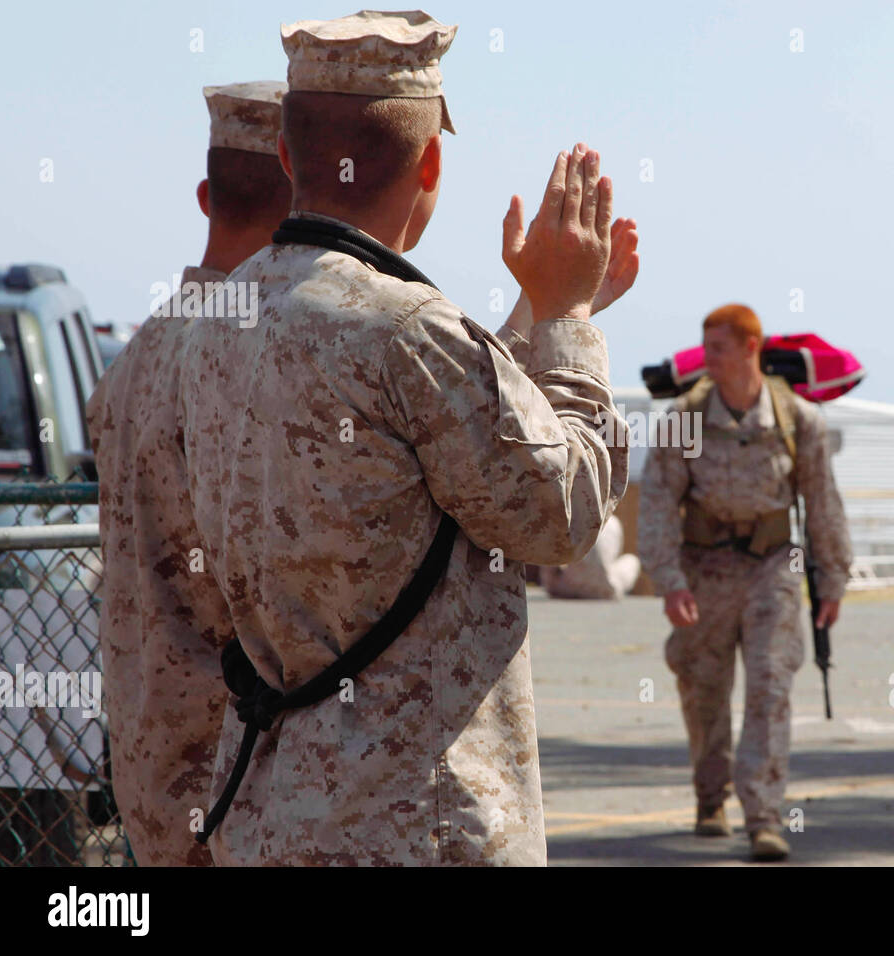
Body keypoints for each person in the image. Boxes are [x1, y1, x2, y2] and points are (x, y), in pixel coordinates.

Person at [177, 10, 631, 866]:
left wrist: (538, 312)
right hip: (416, 824)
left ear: (286, 156)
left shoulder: (218, 316)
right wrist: (567, 318)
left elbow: (441, 454)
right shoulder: (408, 329)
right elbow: (557, 515)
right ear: (430, 162)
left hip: (275, 810)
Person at [85, 81, 291, 866]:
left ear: (206, 195)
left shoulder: (136, 359)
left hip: (151, 768)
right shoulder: (263, 355)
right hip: (247, 776)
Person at [637, 304, 852, 861]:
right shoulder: (685, 419)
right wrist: (669, 581)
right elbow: (659, 502)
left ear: (751, 348)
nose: (706, 358)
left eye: (719, 348)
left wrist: (832, 580)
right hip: (703, 569)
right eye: (706, 347)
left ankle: (765, 816)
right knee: (704, 688)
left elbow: (823, 503)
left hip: (774, 568)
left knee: (770, 684)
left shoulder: (797, 418)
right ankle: (712, 796)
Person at [539, 515, 641, 599]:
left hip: (568, 587)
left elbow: (550, 561)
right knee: (632, 560)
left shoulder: (569, 517)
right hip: (605, 590)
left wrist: (552, 586)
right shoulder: (613, 522)